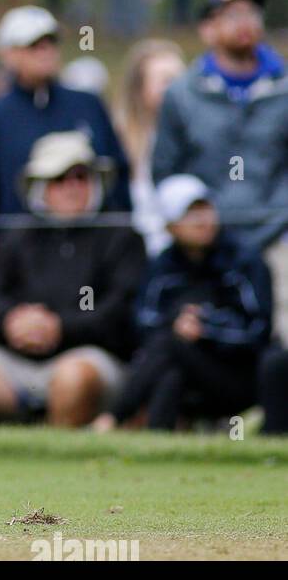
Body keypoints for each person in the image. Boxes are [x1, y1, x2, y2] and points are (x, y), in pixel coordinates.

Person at [0, 131, 146, 427]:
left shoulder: (120, 236)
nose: (71, 188)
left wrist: (60, 328)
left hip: (91, 357)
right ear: (41, 187)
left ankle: (61, 465)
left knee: (72, 378)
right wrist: (12, 321)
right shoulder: (18, 237)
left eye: (80, 177)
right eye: (59, 179)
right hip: (15, 361)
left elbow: (118, 310)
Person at [151, 0, 288, 338]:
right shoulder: (182, 95)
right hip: (205, 245)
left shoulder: (284, 87)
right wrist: (199, 226)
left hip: (279, 237)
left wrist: (274, 221)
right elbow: (166, 172)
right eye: (231, 15)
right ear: (207, 29)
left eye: (251, 12)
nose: (245, 22)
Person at [96, 177, 271, 431]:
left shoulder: (244, 259)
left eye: (204, 208)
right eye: (189, 213)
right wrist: (176, 322)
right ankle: (157, 450)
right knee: (170, 372)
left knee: (170, 344)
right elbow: (142, 325)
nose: (202, 220)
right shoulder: (162, 266)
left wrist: (206, 328)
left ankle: (113, 418)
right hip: (185, 369)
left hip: (239, 374)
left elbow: (258, 331)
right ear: (170, 227)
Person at [0, 5, 131, 223]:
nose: (45, 52)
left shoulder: (89, 105)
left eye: (51, 43)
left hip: (93, 246)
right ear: (7, 54)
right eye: (33, 46)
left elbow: (118, 173)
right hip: (19, 248)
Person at [114, 39, 186, 255]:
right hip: (136, 254)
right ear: (139, 87)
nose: (177, 87)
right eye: (166, 80)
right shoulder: (119, 140)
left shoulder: (196, 140)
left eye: (182, 78)